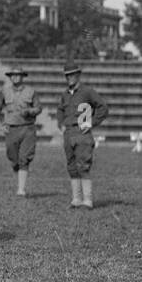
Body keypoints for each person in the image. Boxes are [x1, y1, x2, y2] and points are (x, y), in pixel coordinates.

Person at [56, 61, 109, 208]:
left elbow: (103, 107)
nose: (70, 78)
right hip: (68, 133)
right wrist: (60, 124)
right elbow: (60, 110)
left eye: (73, 74)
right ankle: (76, 199)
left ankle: (88, 200)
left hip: (82, 133)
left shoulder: (87, 91)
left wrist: (91, 122)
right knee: (71, 167)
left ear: (78, 75)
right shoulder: (65, 94)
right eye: (67, 75)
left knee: (83, 167)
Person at [0, 67, 40, 197]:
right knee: (13, 157)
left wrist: (30, 111)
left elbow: (38, 107)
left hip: (27, 128)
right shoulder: (4, 91)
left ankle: (21, 189)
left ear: (22, 77)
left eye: (18, 75)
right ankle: (17, 167)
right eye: (12, 75)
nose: (15, 77)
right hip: (11, 129)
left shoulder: (31, 92)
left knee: (24, 159)